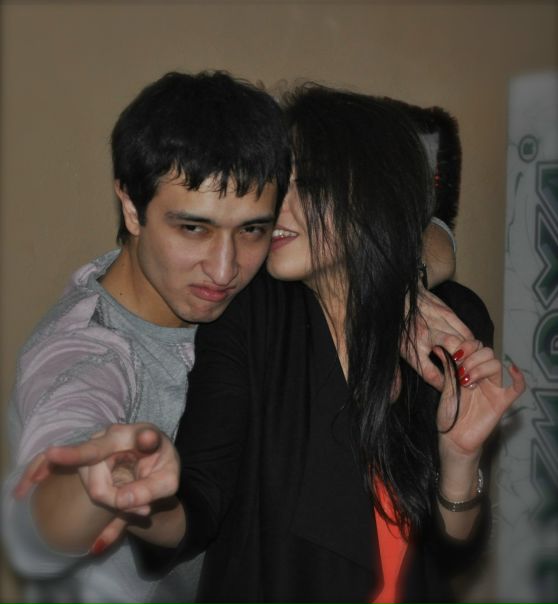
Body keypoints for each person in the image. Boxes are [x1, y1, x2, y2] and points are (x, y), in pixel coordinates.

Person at [11, 84, 526, 602]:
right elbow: (195, 502)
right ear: (130, 207)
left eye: (309, 185)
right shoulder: (245, 315)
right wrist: (126, 489)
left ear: (373, 194)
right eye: (282, 184)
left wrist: (460, 460)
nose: (278, 209)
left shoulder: (445, 323)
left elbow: (451, 554)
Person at [1, 69, 291, 604]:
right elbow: (47, 496)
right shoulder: (88, 350)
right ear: (132, 208)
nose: (224, 269)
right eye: (193, 228)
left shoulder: (252, 302)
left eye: (251, 230)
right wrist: (97, 476)